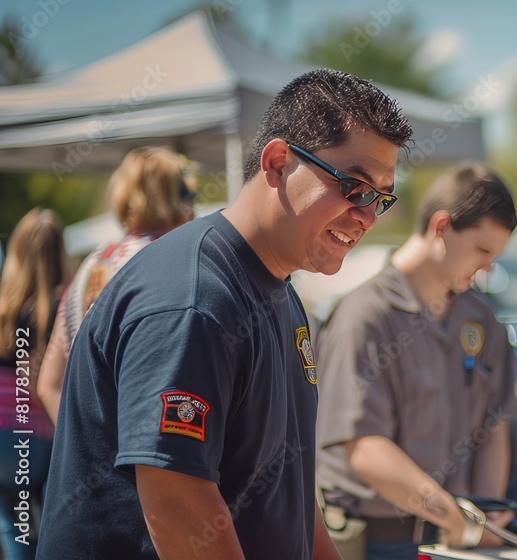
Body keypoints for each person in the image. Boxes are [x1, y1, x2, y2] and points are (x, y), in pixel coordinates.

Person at [36, 68, 413, 560]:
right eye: (355, 187)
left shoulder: (279, 290)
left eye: (381, 200)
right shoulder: (193, 298)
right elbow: (178, 502)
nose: (367, 215)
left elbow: (293, 499)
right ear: (278, 163)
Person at [315, 162, 517, 560]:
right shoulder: (365, 317)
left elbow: (495, 425)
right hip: (376, 543)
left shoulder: (482, 321)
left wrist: (485, 521)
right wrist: (458, 519)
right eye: (482, 249)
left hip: (456, 540)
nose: (488, 267)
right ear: (441, 227)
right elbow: (363, 447)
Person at [37, 146, 196, 425]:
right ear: (178, 196)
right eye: (189, 193)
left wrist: (83, 442)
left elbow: (49, 383)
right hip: (150, 446)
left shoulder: (93, 263)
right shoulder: (178, 259)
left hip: (91, 452)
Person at [0, 207, 66, 560]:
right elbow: (34, 378)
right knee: (39, 527)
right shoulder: (59, 307)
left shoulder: (5, 309)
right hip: (33, 433)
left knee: (12, 529)